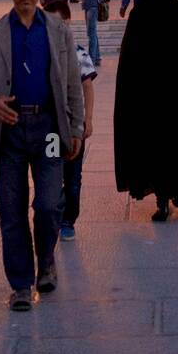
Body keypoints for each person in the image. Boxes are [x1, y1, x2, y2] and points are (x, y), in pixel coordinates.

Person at [0, 0, 84, 311]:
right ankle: (20, 283)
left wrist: (75, 128)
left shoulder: (58, 32)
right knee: (12, 211)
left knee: (47, 206)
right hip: (11, 132)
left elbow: (72, 83)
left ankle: (45, 259)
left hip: (47, 129)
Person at [113, 0, 178, 222]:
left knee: (150, 144)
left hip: (144, 97)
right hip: (173, 97)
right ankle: (172, 193)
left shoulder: (140, 13)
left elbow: (128, 57)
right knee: (171, 145)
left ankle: (160, 200)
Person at [59, 41, 97, 242]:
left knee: (73, 177)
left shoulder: (78, 53)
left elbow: (88, 87)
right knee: (51, 173)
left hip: (74, 128)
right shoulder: (39, 51)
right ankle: (54, 211)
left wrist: (88, 119)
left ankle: (68, 221)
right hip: (50, 131)